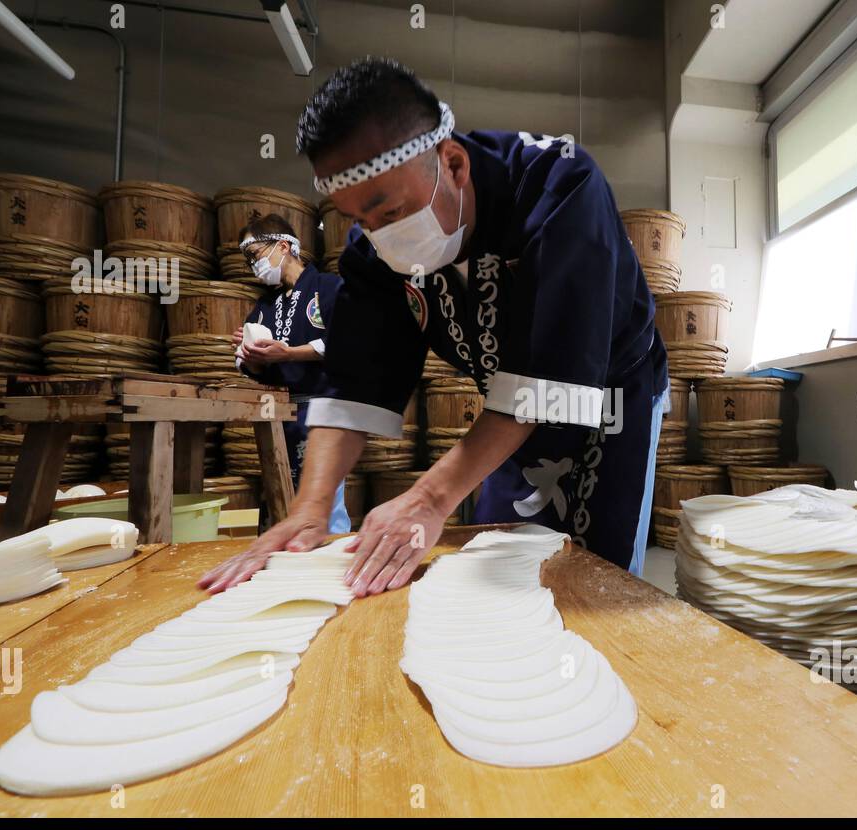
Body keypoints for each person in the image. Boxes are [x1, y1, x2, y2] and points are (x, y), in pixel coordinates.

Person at [201, 57, 668, 597]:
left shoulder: (559, 186)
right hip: (507, 406)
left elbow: (550, 380)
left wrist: (428, 498)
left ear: (453, 164)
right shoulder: (373, 250)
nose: (378, 235)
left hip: (612, 393)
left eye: (390, 211)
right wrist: (309, 511)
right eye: (359, 219)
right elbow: (354, 378)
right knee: (498, 558)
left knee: (594, 579)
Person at [233, 214, 350, 534]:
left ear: (283, 246)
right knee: (282, 498)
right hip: (279, 412)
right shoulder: (265, 306)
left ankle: (329, 567)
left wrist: (288, 352)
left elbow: (347, 342)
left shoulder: (328, 287)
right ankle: (288, 569)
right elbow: (249, 366)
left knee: (324, 500)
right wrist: (252, 354)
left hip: (323, 408)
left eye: (255, 256)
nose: (253, 266)